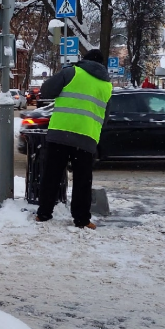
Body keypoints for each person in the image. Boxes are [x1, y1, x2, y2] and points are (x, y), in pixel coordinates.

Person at [35, 49, 113, 230]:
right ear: (102, 65)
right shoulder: (107, 86)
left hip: (61, 133)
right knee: (83, 181)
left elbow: (46, 90)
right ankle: (82, 219)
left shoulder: (72, 72)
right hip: (86, 138)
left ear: (84, 60)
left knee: (51, 176)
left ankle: (44, 213)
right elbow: (106, 117)